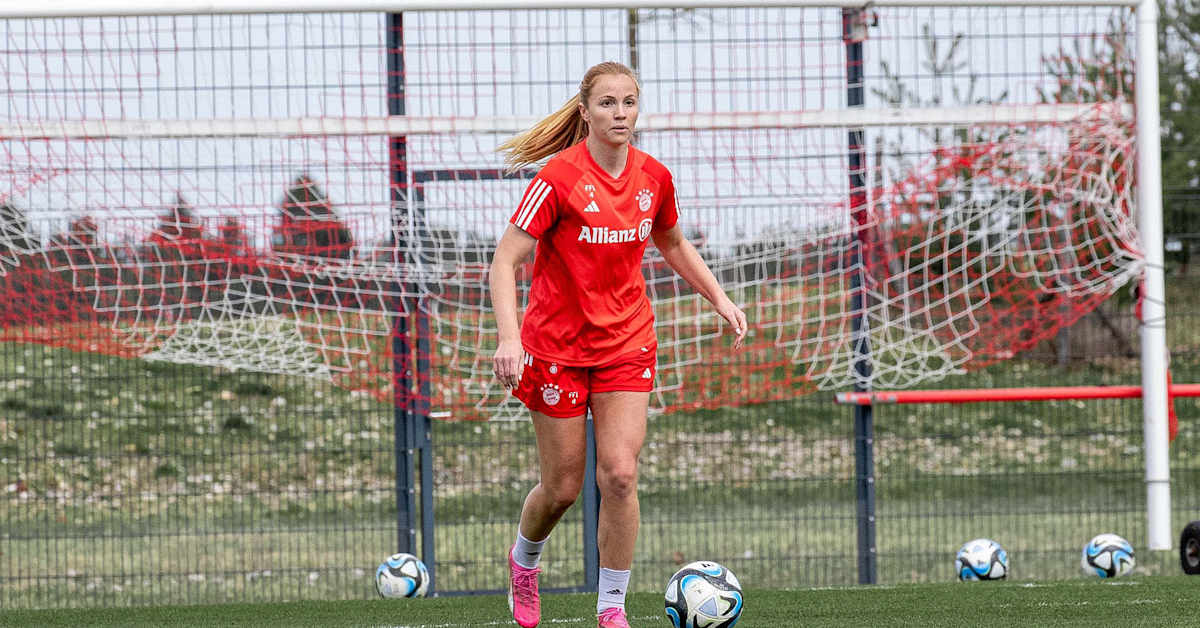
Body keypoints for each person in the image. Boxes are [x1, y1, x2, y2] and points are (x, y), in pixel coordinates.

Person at [489, 61, 748, 628]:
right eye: (607, 104)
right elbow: (505, 261)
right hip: (555, 349)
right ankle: (524, 563)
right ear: (585, 111)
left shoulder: (654, 177)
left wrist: (720, 299)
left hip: (627, 344)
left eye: (628, 102)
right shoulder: (556, 178)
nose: (620, 114)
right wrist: (510, 338)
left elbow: (674, 243)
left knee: (620, 475)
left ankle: (612, 608)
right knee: (561, 488)